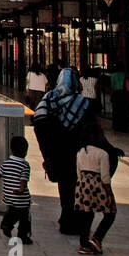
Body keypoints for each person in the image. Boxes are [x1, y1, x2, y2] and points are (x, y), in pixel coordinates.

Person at [32, 66, 92, 235]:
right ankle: (73, 220)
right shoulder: (81, 102)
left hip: (57, 153)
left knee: (65, 187)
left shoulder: (49, 99)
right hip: (76, 153)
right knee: (76, 186)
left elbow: (39, 123)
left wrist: (47, 153)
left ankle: (66, 218)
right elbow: (91, 128)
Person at [74, 122, 120, 255]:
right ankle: (97, 238)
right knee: (110, 213)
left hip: (83, 185)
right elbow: (105, 176)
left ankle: (84, 244)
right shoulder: (102, 154)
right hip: (97, 184)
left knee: (87, 215)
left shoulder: (81, 151)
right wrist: (109, 193)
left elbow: (78, 171)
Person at [0, 135, 33, 245]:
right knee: (24, 217)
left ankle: (6, 224)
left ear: (12, 149)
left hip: (8, 194)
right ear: (25, 151)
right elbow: (23, 180)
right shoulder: (25, 165)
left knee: (12, 211)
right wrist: (20, 190)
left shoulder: (6, 163)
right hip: (21, 197)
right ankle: (23, 236)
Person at [109, 67, 129, 132]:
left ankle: (117, 126)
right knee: (124, 110)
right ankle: (124, 126)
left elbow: (112, 86)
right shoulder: (126, 74)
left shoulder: (113, 75)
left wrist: (111, 95)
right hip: (124, 94)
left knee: (116, 110)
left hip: (116, 94)